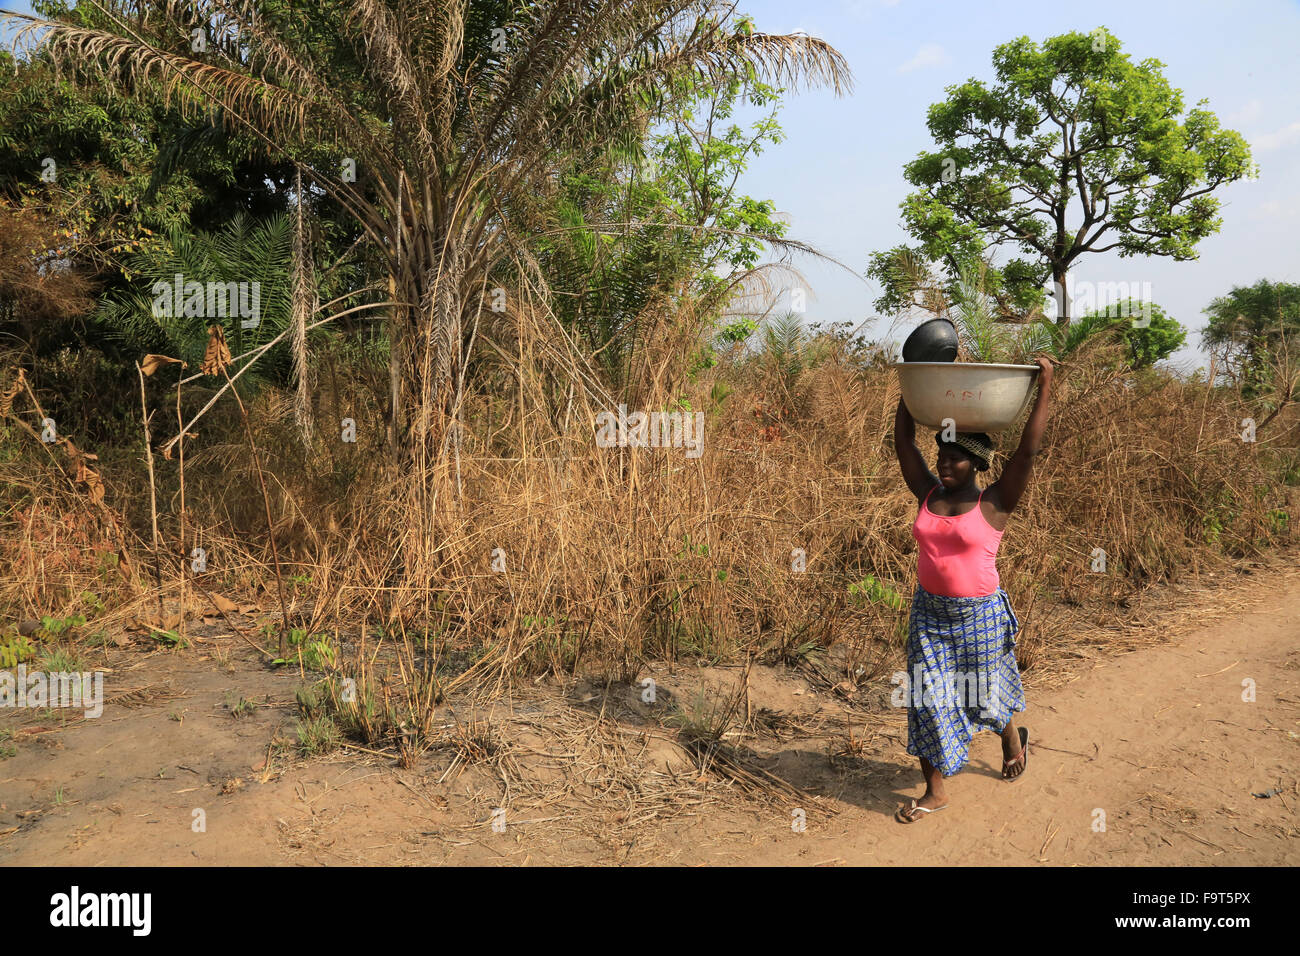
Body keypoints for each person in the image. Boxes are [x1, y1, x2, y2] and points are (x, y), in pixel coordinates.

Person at [891, 356, 1054, 823]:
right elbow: (903, 441)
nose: (943, 464)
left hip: (978, 614)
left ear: (976, 462)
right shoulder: (927, 493)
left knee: (983, 693)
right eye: (941, 455)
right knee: (927, 697)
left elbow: (1028, 452)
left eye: (954, 457)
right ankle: (935, 790)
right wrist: (914, 383)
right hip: (929, 615)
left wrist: (1045, 386)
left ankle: (1009, 736)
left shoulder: (996, 502)